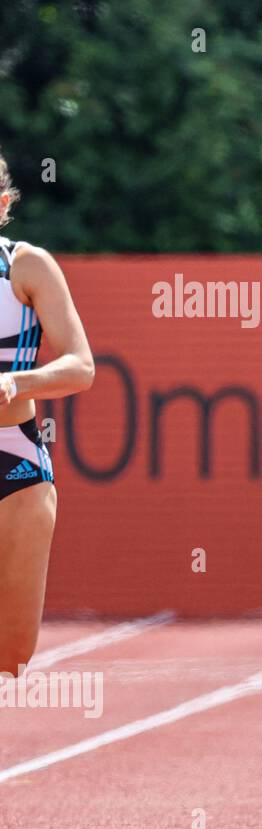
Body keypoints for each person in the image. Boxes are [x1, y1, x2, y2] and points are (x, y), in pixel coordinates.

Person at [0, 149, 95, 679]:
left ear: (3, 204)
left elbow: (81, 366)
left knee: (12, 651)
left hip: (14, 462)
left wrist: (16, 380)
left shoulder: (26, 266)